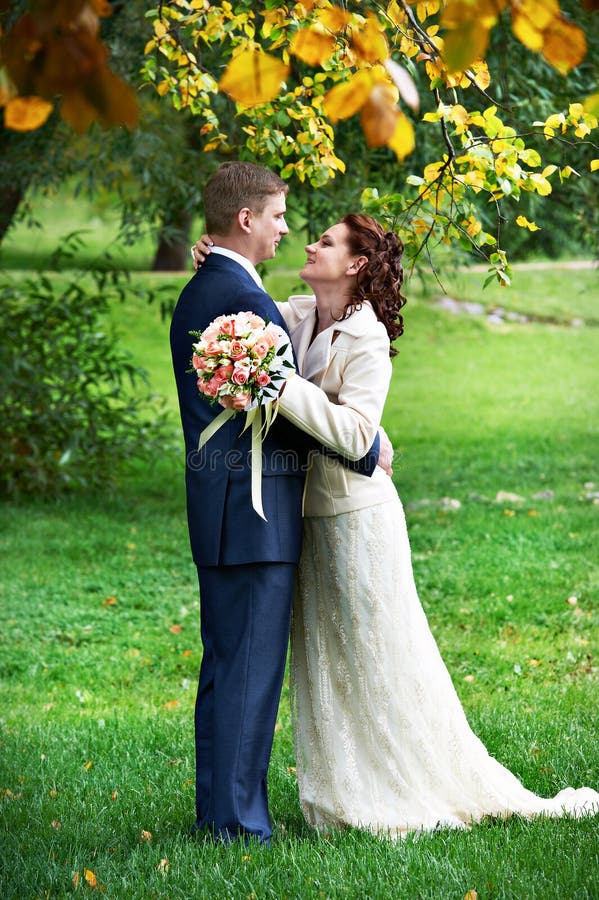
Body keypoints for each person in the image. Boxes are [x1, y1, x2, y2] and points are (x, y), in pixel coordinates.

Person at [193, 212, 599, 837]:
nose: (310, 244)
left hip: (357, 520)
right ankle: (341, 789)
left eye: (326, 241)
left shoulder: (368, 337)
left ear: (356, 263)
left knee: (380, 657)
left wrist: (281, 385)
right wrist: (217, 257)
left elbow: (358, 435)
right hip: (306, 520)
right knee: (328, 661)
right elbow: (246, 306)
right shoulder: (298, 314)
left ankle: (406, 785)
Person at [170, 162, 390, 845]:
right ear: (246, 219)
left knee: (229, 668)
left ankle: (220, 815)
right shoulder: (238, 299)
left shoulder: (221, 287)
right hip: (252, 512)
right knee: (246, 673)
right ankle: (236, 826)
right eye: (277, 216)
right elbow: (281, 408)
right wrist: (367, 447)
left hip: (229, 509)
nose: (287, 229)